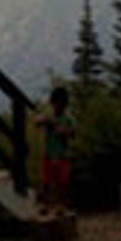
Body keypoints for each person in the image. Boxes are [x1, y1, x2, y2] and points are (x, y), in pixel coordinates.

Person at [33, 86, 77, 216]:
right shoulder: (48, 114)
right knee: (46, 182)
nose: (58, 107)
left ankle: (60, 206)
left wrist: (64, 131)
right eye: (56, 104)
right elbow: (37, 121)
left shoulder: (68, 118)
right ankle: (45, 205)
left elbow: (73, 133)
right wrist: (44, 121)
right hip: (48, 154)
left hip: (63, 155)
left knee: (62, 183)